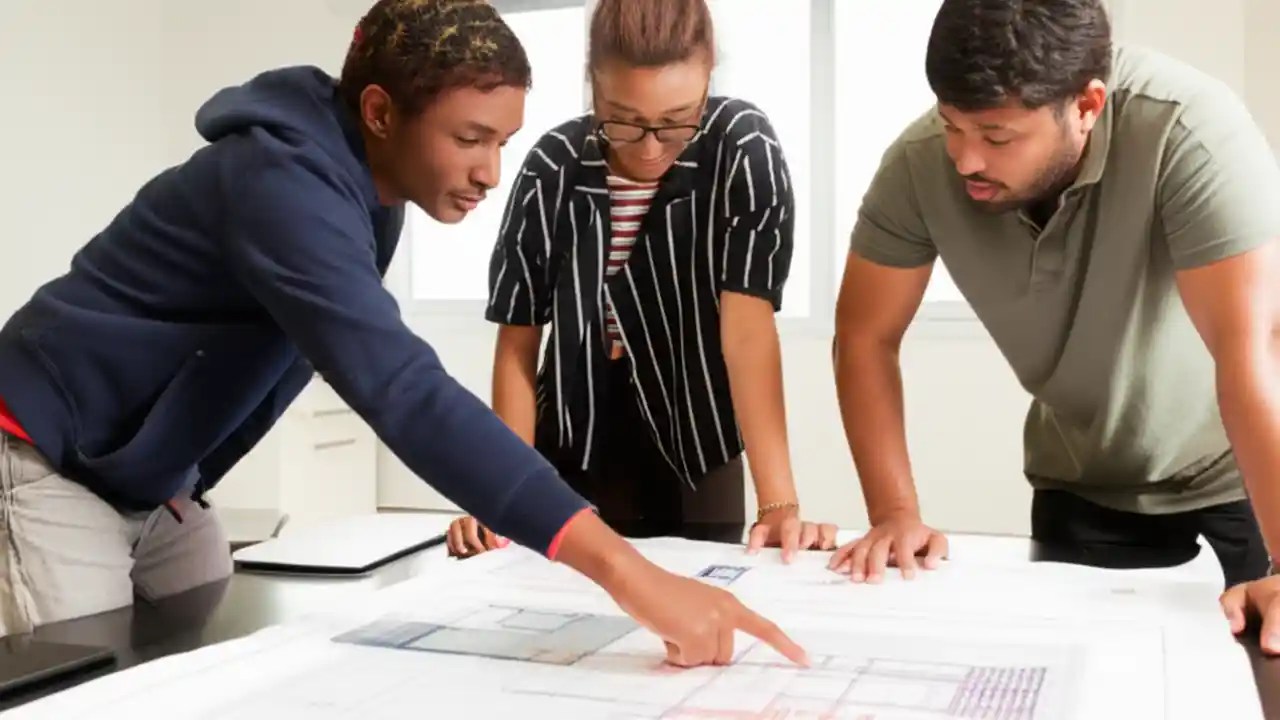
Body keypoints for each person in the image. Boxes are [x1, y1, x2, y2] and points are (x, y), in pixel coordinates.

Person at [0, 0, 809, 669]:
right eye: (471, 139)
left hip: (152, 478)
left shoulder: (365, 192)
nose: (493, 170)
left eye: (501, 141)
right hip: (47, 456)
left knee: (220, 658)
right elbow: (400, 389)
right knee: (80, 683)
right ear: (381, 113)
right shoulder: (281, 186)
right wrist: (628, 573)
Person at [827, 0, 1280, 649]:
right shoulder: (920, 163)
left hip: (1247, 479)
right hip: (1083, 484)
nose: (965, 159)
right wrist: (894, 513)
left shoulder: (1190, 131)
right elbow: (865, 335)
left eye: (998, 137)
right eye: (951, 124)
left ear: (1087, 105)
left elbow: (1254, 348)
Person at [445, 0, 836, 562]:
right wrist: (503, 492)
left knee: (703, 600)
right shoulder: (552, 167)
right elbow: (519, 341)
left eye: (678, 121)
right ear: (593, 87)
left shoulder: (741, 147)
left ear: (707, 85)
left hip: (697, 438)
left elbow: (747, 334)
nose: (651, 148)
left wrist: (778, 504)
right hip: (570, 444)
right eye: (624, 120)